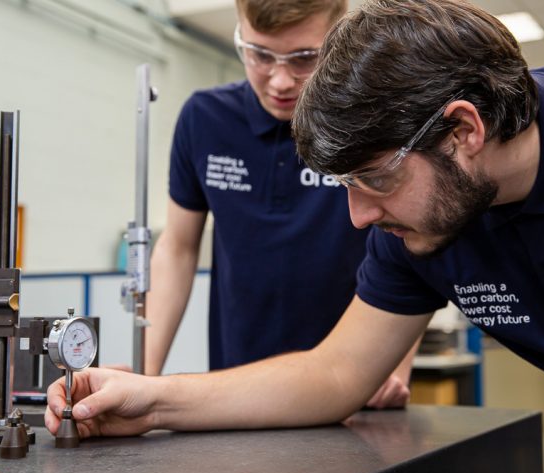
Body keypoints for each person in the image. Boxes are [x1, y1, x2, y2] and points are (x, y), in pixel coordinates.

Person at [47, 1, 544, 473]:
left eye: (374, 177)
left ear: (462, 130)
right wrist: (151, 401)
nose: (356, 217)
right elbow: (336, 372)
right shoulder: (416, 232)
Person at [144, 0, 416, 409]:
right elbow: (178, 249)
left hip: (355, 386)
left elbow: (407, 244)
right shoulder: (204, 119)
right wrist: (144, 376)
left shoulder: (372, 122)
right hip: (233, 385)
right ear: (240, 32)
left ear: (338, 37)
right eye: (260, 55)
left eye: (304, 57)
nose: (280, 80)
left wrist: (394, 366)